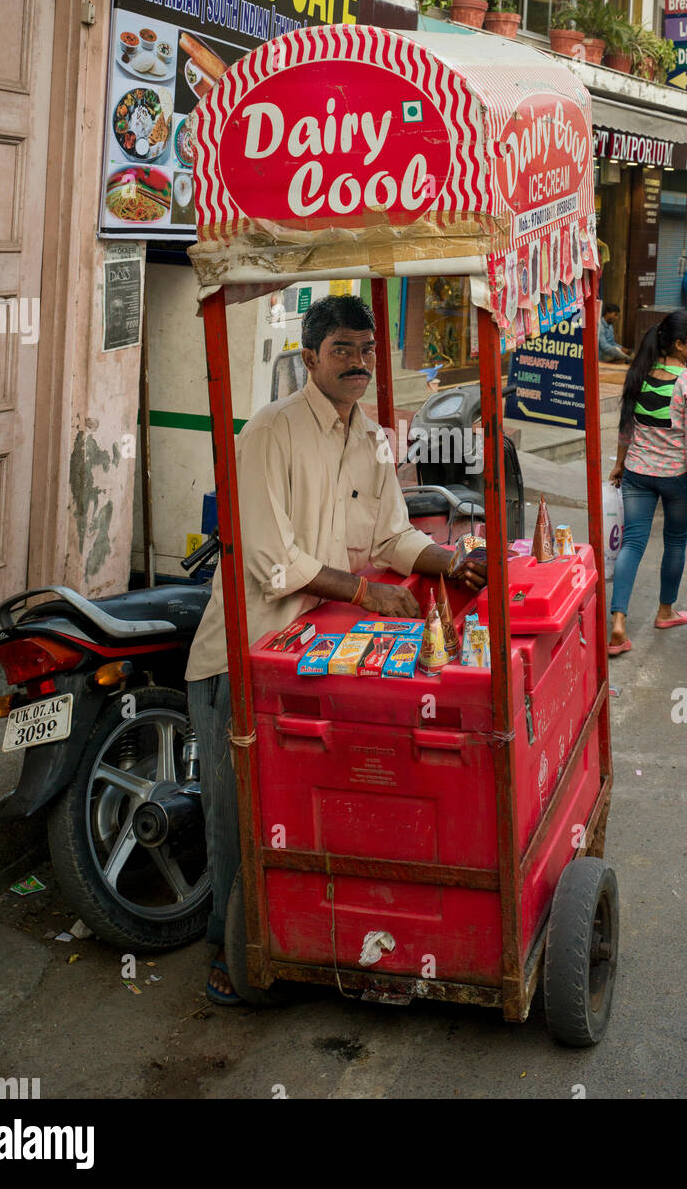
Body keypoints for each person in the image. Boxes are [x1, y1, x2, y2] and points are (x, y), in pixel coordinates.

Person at [185, 295, 487, 1003]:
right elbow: (270, 560)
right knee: (240, 815)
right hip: (247, 652)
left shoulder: (375, 436)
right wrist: (365, 592)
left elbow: (390, 535)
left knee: (316, 805)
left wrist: (448, 563)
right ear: (312, 357)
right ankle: (231, 952)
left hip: (324, 653)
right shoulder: (269, 431)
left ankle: (309, 937)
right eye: (343, 350)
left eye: (366, 350)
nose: (358, 363)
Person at [607, 310, 687, 656]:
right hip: (676, 477)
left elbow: (626, 428)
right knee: (675, 543)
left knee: (633, 543)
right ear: (679, 345)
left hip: (637, 471)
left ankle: (618, 622)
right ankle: (665, 612)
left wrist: (620, 464)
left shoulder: (640, 372)